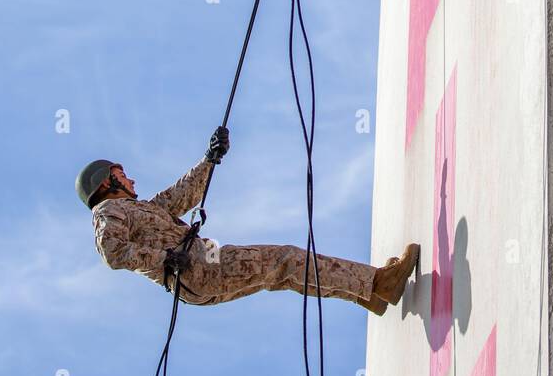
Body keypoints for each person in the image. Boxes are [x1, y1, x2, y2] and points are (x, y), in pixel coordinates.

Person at [76, 129, 420, 315]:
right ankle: (376, 284)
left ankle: (365, 293)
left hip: (199, 266)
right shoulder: (107, 213)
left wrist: (209, 159)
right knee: (285, 261)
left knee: (282, 272)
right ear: (107, 183)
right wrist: (165, 259)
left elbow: (181, 194)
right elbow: (114, 252)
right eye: (122, 175)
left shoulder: (145, 209)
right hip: (196, 268)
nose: (131, 180)